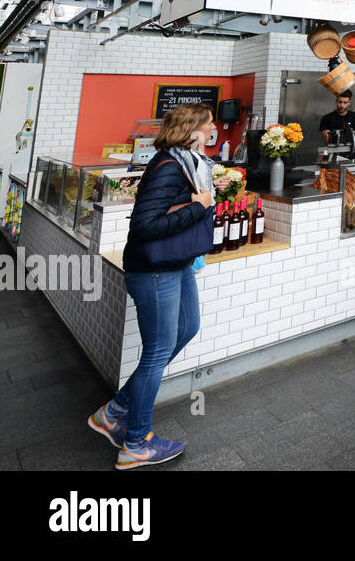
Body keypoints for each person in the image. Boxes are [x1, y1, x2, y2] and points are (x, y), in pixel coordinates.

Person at [89, 103, 216, 468]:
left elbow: (175, 204)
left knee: (187, 328)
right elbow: (145, 226)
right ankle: (136, 442)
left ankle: (113, 413)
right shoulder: (168, 166)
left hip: (175, 263)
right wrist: (199, 205)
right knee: (157, 353)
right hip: (154, 270)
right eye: (208, 125)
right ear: (193, 129)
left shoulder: (185, 163)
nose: (213, 131)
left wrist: (202, 196)